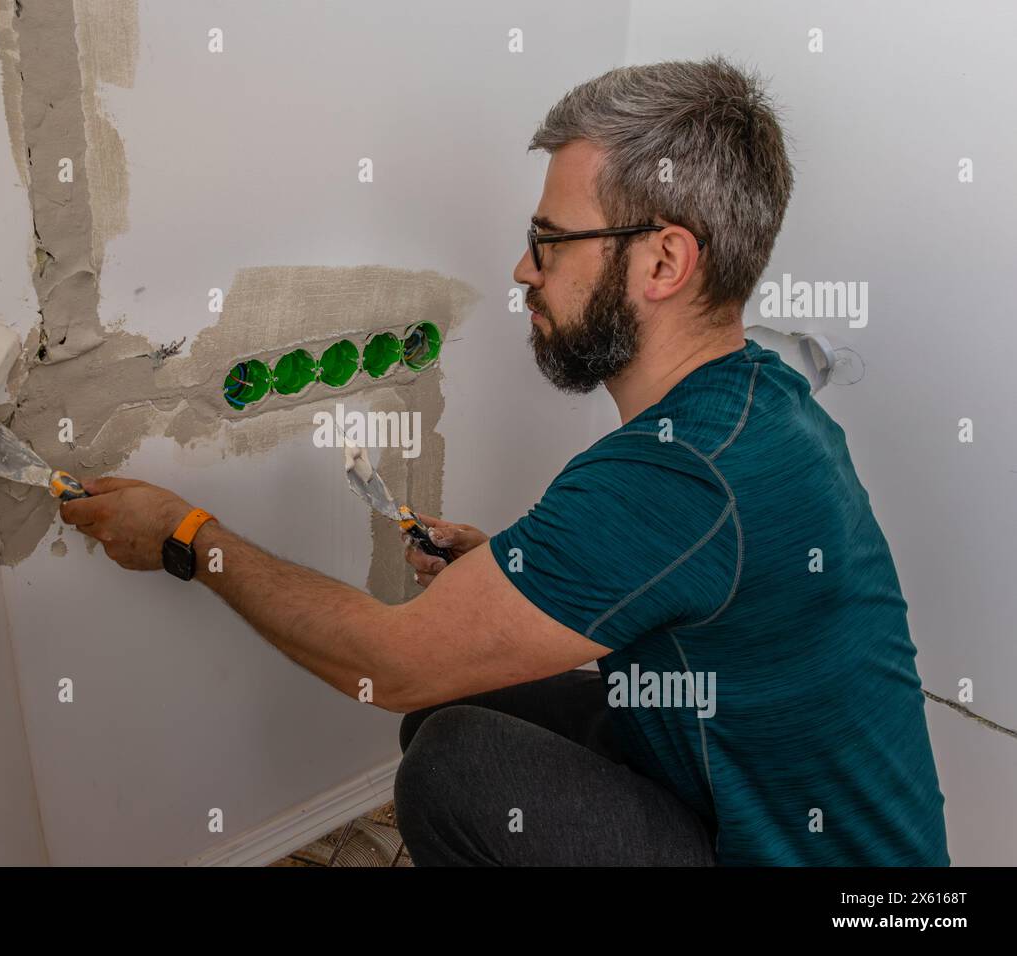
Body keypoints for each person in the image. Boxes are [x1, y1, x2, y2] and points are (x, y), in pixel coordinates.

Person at [60, 57, 948, 866]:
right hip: (746, 798)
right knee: (458, 712)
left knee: (454, 766)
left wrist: (189, 536)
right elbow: (676, 581)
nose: (523, 269)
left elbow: (390, 662)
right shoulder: (754, 400)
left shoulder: (679, 474)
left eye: (551, 239)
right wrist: (511, 574)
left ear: (665, 261)